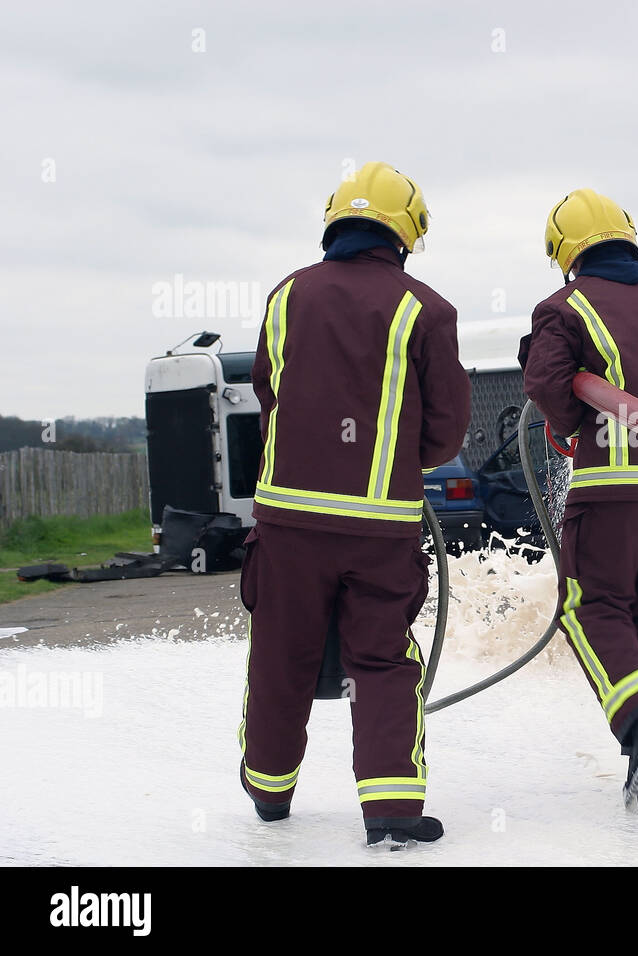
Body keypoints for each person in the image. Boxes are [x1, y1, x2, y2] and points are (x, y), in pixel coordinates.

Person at [238, 161, 471, 849]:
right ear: (405, 233)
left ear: (335, 222)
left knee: (281, 652)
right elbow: (446, 430)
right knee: (383, 659)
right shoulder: (427, 309)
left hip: (287, 524)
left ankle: (271, 794)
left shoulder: (286, 297)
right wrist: (396, 461)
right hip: (381, 529)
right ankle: (392, 807)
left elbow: (267, 396)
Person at [520, 188, 638, 812]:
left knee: (590, 606)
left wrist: (570, 423)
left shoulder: (566, 306)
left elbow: (550, 384)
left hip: (613, 487)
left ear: (565, 252)